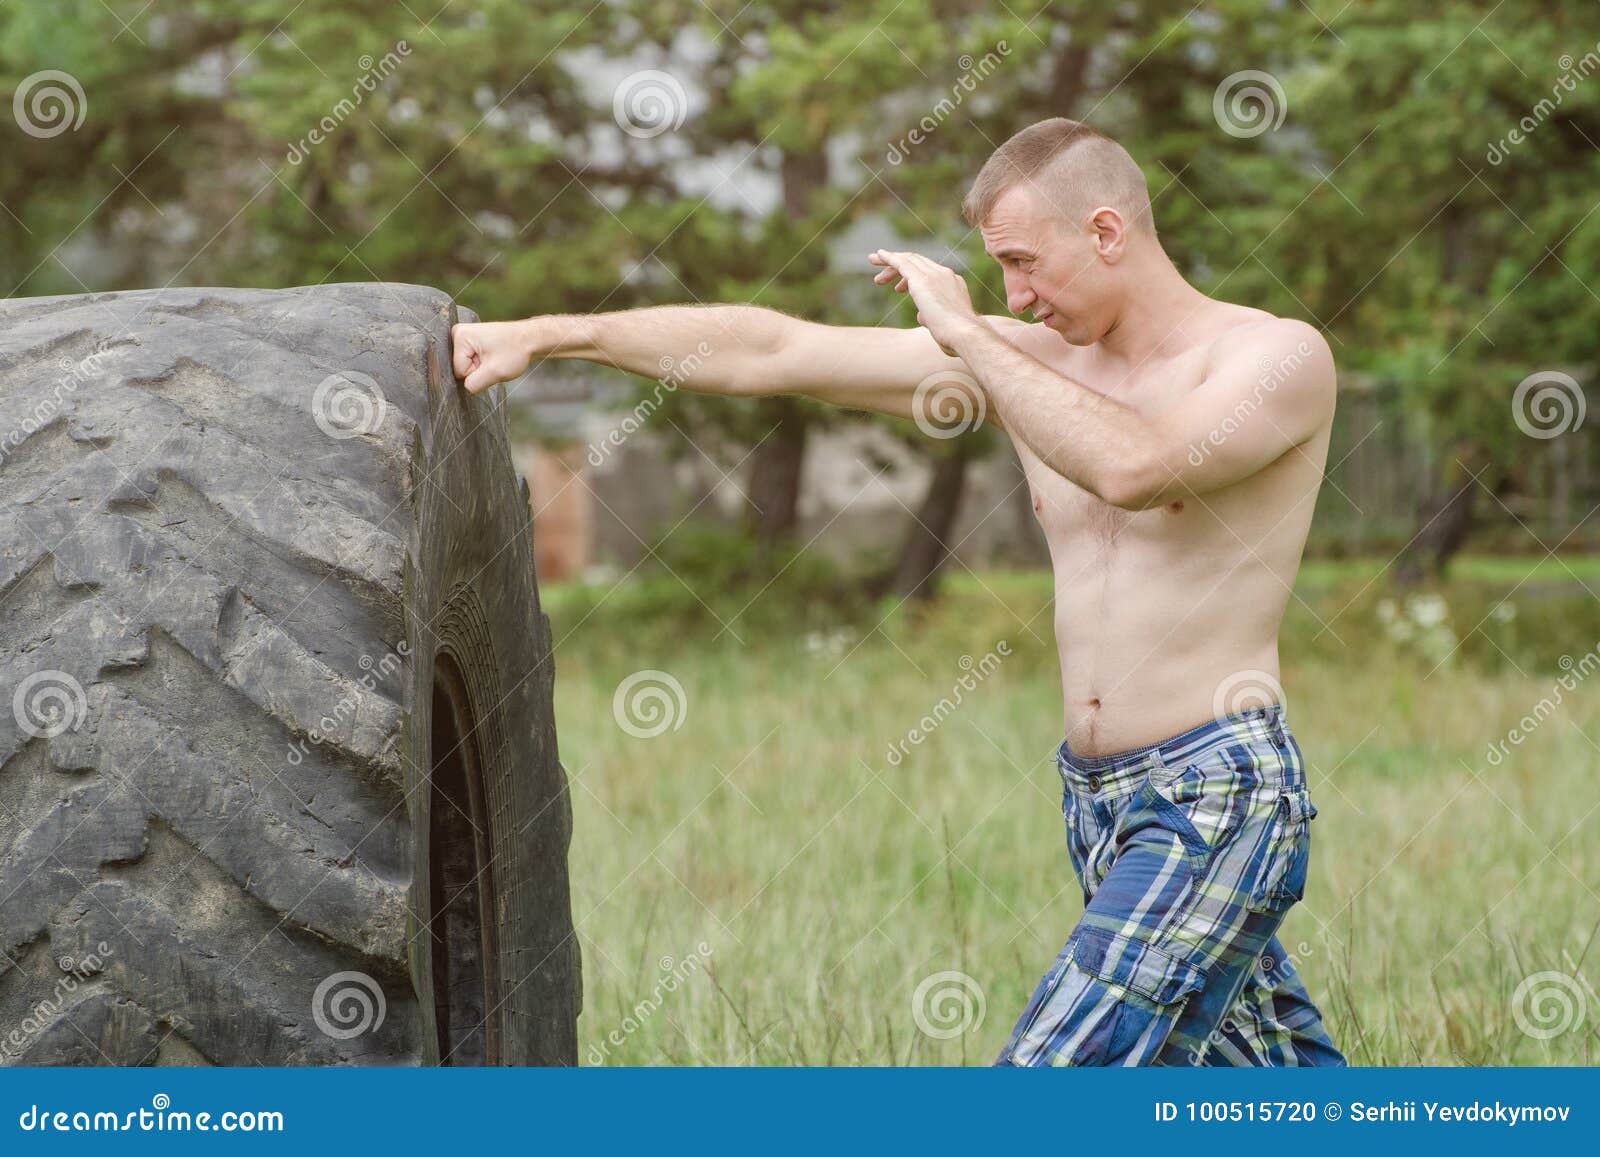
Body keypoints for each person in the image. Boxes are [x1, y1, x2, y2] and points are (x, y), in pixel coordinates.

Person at [451, 117, 1346, 1067]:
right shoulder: (1032, 364)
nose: (1016, 295)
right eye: (998, 272)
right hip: (1097, 802)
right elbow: (776, 352)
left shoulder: (1274, 359)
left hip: (1214, 792)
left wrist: (965, 332)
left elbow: (1138, 466)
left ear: (1107, 231)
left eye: (1024, 262)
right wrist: (556, 334)